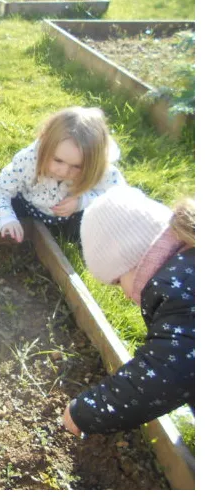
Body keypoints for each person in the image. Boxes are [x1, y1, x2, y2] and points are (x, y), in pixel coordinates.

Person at [63, 187, 194, 436]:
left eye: (118, 280)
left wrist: (89, 410)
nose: (123, 293)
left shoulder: (179, 292)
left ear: (136, 259)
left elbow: (164, 374)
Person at [0, 106, 126, 244]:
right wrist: (6, 219)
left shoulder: (101, 169)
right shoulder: (28, 161)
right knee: (15, 215)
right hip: (29, 211)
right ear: (45, 147)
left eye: (77, 166)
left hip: (70, 219)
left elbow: (118, 195)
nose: (64, 172)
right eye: (58, 160)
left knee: (92, 226)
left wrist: (81, 202)